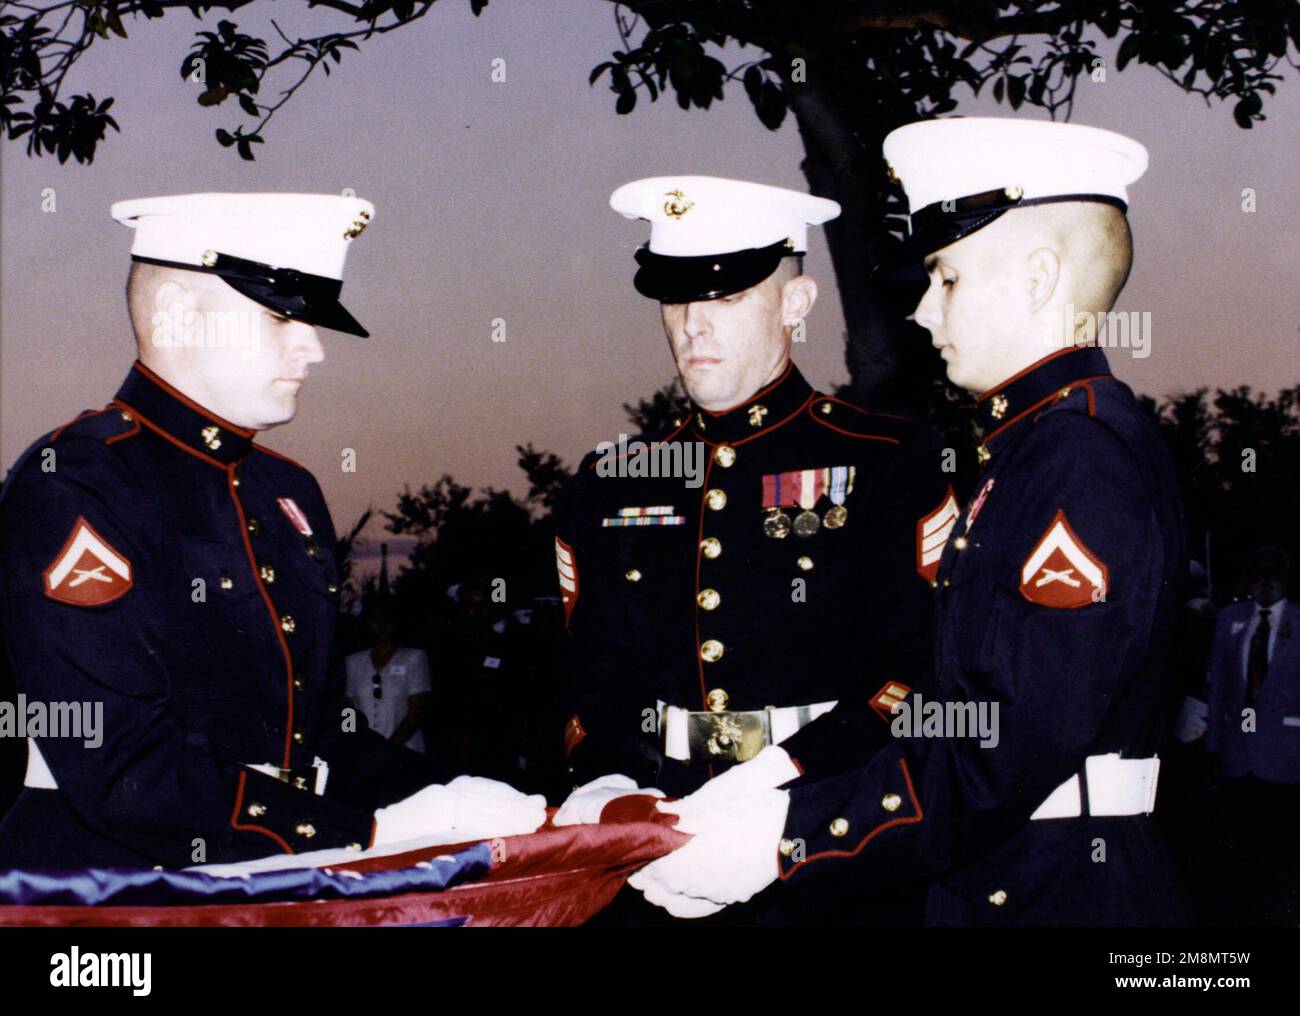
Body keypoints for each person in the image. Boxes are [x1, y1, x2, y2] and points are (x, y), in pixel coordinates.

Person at [629, 118, 1190, 926]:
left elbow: (1001, 748)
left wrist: (787, 840)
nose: (926, 311)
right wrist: (777, 786)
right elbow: (951, 706)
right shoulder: (1038, 445)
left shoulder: (1079, 455)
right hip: (1010, 876)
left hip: (1060, 889)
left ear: (1038, 279)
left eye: (949, 278)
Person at [0, 193, 542, 870]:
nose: (313, 348)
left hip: (275, 875)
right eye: (281, 315)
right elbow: (124, 769)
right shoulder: (79, 483)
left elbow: (308, 739)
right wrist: (369, 837)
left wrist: (478, 802)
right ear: (174, 315)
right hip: (122, 893)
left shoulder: (288, 492)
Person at [553, 178, 949, 923]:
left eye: (728, 298)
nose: (693, 326)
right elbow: (591, 670)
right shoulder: (613, 480)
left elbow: (916, 671)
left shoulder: (889, 458)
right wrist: (606, 782)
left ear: (795, 305)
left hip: (819, 848)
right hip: (653, 845)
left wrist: (782, 775)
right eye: (675, 299)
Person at [1205, 545, 1300, 923]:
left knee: (1280, 849)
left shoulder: (1298, 621)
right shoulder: (1231, 618)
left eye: (1272, 573)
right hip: (1237, 754)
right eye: (1257, 573)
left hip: (1287, 758)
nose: (1264, 581)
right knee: (1238, 850)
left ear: (1286, 577)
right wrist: (1213, 747)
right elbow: (1220, 688)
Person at [345, 599, 432, 753]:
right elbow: (349, 710)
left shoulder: (414, 658)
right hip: (364, 753)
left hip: (405, 751)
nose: (381, 625)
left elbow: (416, 711)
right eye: (375, 619)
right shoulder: (352, 662)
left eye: (387, 619)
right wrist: (350, 742)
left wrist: (387, 749)